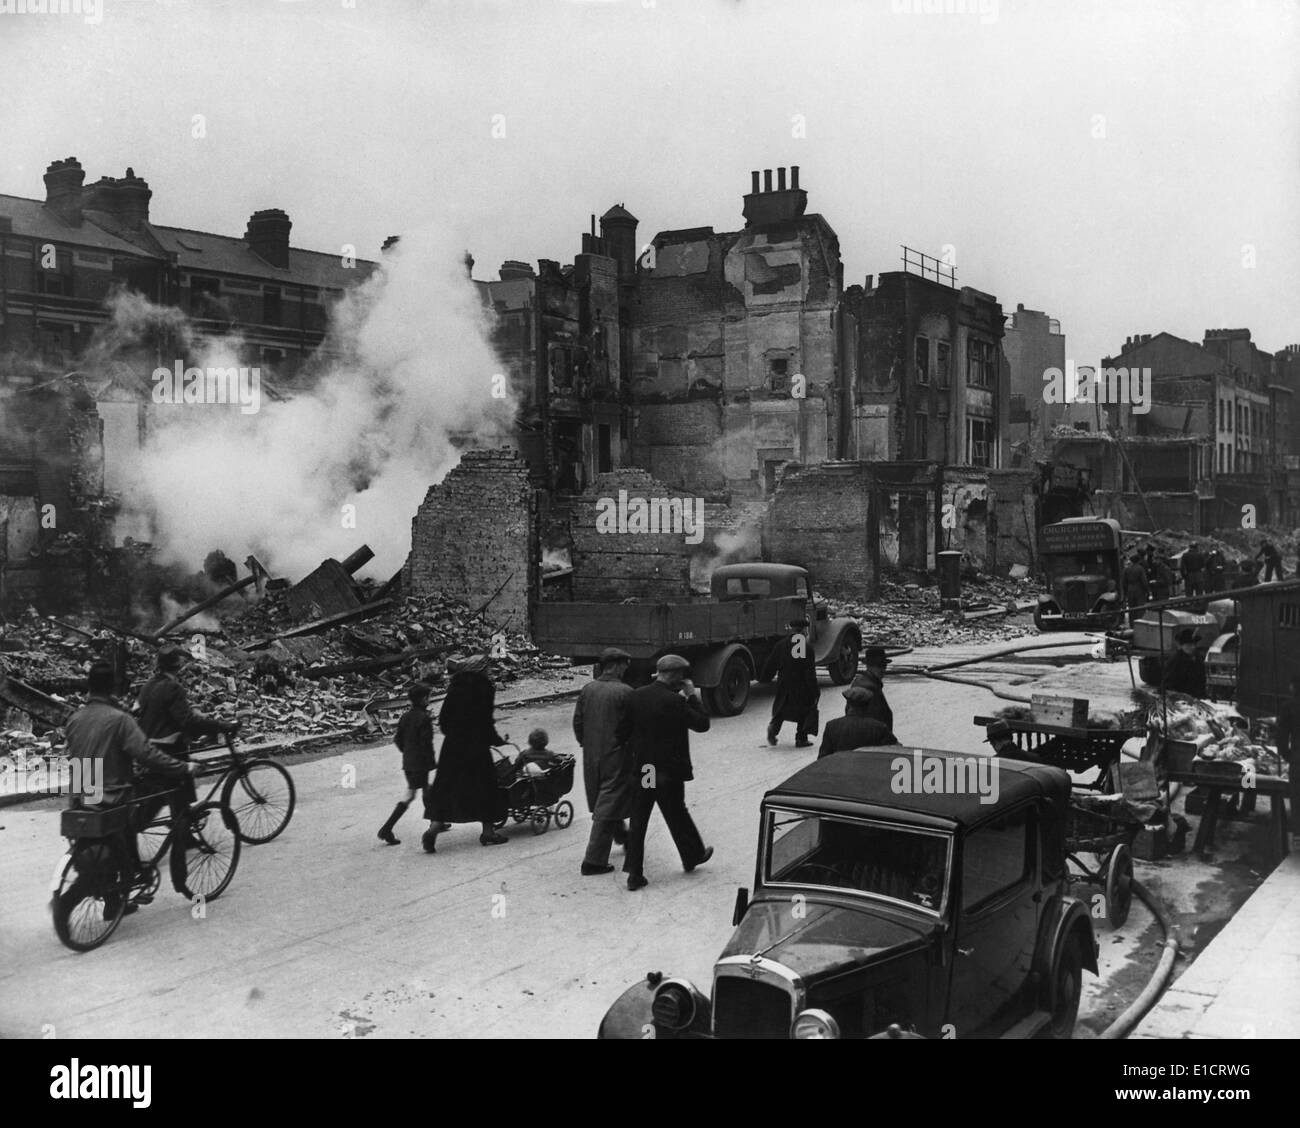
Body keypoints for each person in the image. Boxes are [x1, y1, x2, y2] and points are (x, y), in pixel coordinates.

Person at [64, 661, 200, 911]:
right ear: (114, 688)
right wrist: (182, 767)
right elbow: (146, 753)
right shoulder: (120, 719)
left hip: (83, 793)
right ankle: (130, 879)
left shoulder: (74, 719)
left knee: (109, 838)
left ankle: (114, 903)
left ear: (89, 687)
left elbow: (77, 757)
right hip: (112, 794)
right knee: (127, 826)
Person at [617, 654, 713, 891]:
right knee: (676, 813)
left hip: (645, 770)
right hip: (669, 771)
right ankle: (691, 855)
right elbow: (702, 724)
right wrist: (692, 695)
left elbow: (620, 734)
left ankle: (634, 875)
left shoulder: (635, 696)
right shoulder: (675, 702)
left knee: (639, 820)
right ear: (677, 676)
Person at [134, 643, 239, 857]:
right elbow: (186, 720)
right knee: (173, 794)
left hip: (149, 748)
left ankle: (185, 836)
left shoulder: (148, 685)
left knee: (167, 797)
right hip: (169, 751)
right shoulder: (173, 688)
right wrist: (220, 726)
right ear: (178, 666)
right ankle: (178, 834)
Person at [422, 654, 510, 852]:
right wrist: (496, 740)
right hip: (476, 747)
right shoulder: (485, 687)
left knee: (445, 787)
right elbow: (485, 721)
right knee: (485, 787)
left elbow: (443, 719)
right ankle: (488, 832)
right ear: (481, 670)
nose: (489, 671)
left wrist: (454, 735)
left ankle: (435, 826)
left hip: (452, 746)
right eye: (487, 668)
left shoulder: (455, 686)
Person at [574, 648, 635, 876]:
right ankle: (594, 860)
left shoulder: (588, 689)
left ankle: (622, 835)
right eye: (625, 665)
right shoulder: (625, 692)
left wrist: (587, 744)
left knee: (603, 797)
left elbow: (578, 722)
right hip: (616, 755)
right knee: (609, 801)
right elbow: (632, 728)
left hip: (591, 755)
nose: (626, 669)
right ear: (617, 665)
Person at [377, 683, 437, 846]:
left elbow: (398, 740)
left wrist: (408, 753)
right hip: (420, 764)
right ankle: (387, 829)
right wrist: (431, 762)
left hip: (409, 763)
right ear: (424, 699)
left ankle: (435, 822)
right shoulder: (424, 718)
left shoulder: (405, 717)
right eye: (428, 697)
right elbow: (426, 743)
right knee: (414, 794)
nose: (429, 700)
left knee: (422, 790)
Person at [761, 618, 820, 748]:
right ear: (804, 630)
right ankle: (801, 738)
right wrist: (815, 690)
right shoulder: (806, 648)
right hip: (802, 685)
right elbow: (810, 673)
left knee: (781, 708)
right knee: (805, 709)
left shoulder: (781, 645)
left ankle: (773, 729)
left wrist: (765, 677)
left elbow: (771, 664)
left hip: (784, 683)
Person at [817, 685, 897, 758]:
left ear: (847, 705)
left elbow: (822, 759)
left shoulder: (832, 726)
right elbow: (895, 751)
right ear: (867, 707)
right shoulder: (878, 728)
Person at [1274, 676, 1300, 842]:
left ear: (1293, 687)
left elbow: (1281, 738)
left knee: (1297, 799)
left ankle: (1298, 838)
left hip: (1298, 759)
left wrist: (1289, 757)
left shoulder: (1289, 706)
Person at [849, 646, 894, 732]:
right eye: (878, 666)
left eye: (884, 666)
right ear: (869, 666)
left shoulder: (863, 681)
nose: (883, 670)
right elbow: (875, 718)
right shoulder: (870, 687)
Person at [1161, 628, 1206, 697]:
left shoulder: (1198, 658)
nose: (1192, 647)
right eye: (1189, 645)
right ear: (1182, 646)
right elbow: (1168, 684)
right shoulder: (1175, 660)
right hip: (1180, 698)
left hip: (1196, 697)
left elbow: (1202, 679)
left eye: (1194, 644)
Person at [1123, 553, 1149, 623]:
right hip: (1139, 589)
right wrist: (1147, 591)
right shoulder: (1140, 568)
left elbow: (1124, 582)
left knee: (1132, 608)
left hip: (1130, 589)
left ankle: (1132, 623)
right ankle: (1140, 623)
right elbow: (1144, 581)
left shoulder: (1127, 569)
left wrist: (1125, 592)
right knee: (1140, 607)